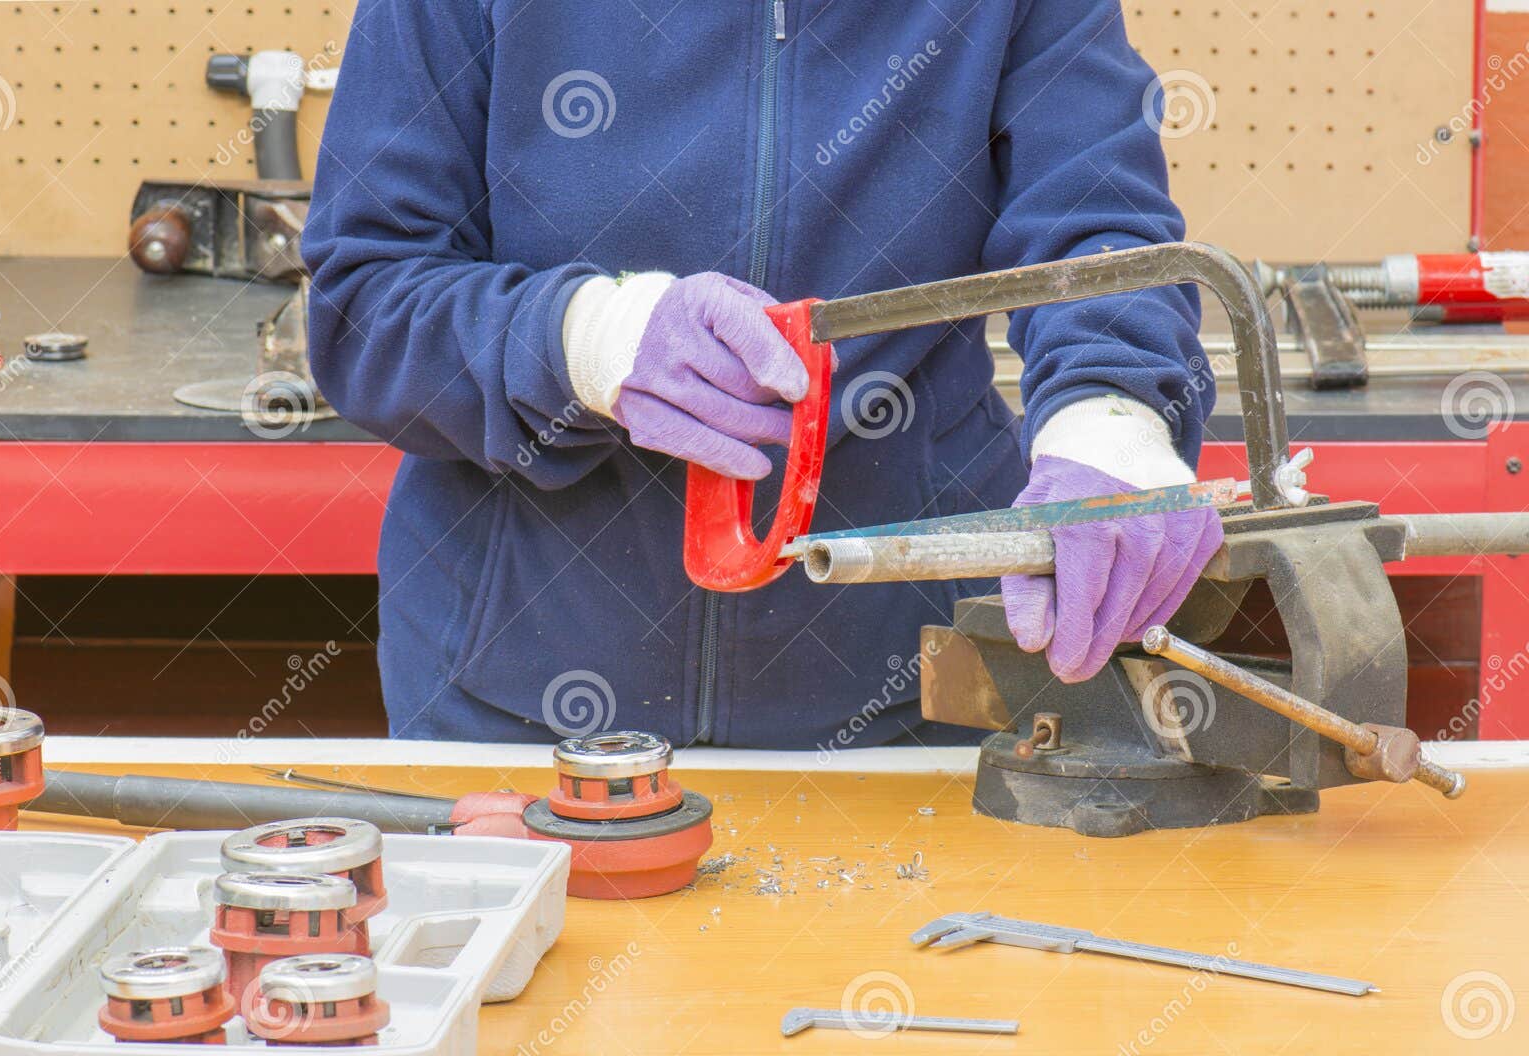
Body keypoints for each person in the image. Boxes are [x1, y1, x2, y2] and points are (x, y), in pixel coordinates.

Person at [301, 0, 1220, 749]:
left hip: (912, 698)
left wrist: (1113, 414)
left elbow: (1101, 231)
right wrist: (584, 338)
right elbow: (366, 298)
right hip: (508, 699)